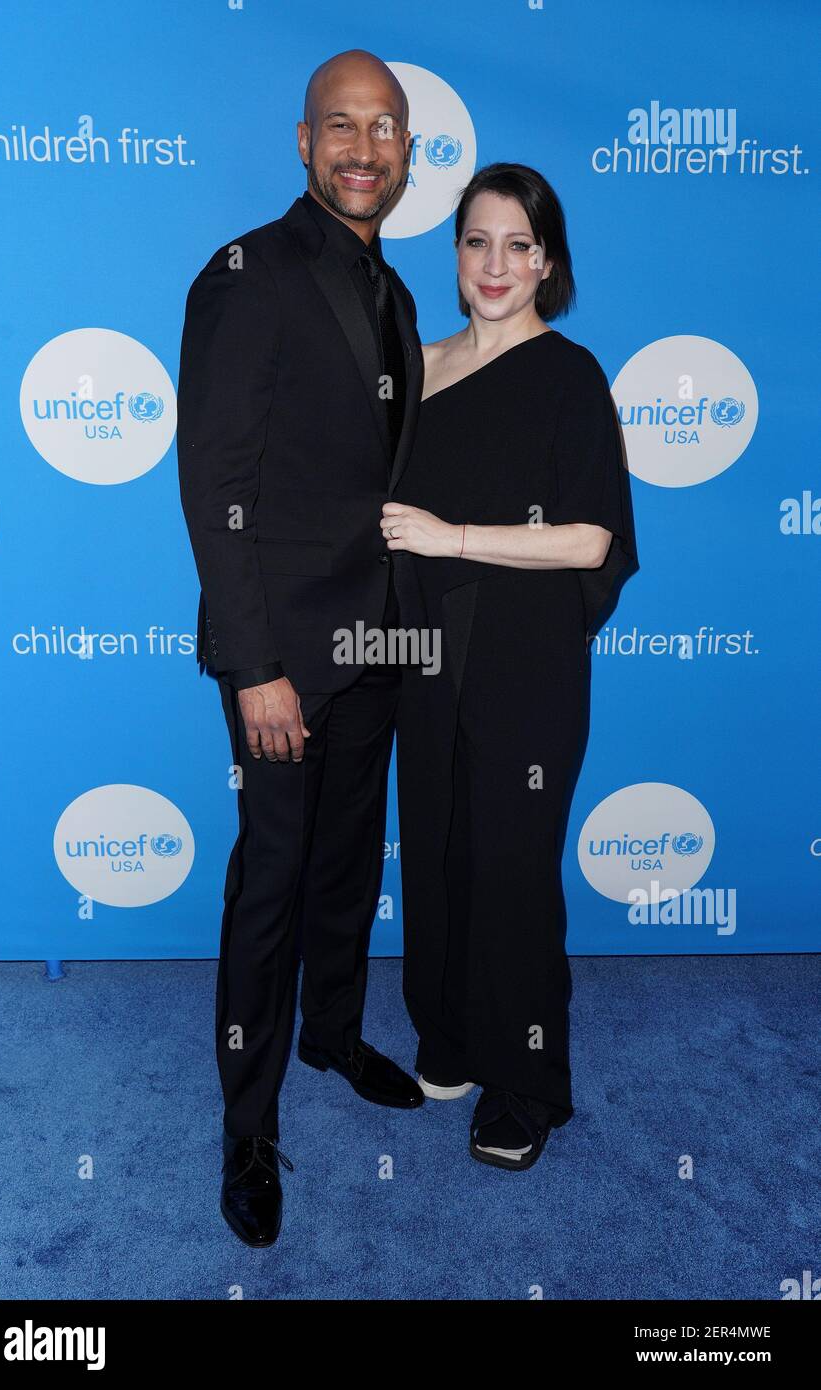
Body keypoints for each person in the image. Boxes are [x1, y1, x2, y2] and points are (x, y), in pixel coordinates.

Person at [177, 50, 425, 1248]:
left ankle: (333, 1033)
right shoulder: (247, 274)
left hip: (376, 639)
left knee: (342, 866)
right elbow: (214, 482)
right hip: (281, 655)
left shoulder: (400, 294)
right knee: (269, 885)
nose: (363, 148)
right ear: (302, 141)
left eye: (384, 129)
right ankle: (246, 1125)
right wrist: (255, 663)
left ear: (409, 150)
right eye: (342, 125)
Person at [382, 163, 638, 1171]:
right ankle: (447, 1036)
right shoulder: (418, 363)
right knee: (439, 849)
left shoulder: (568, 375)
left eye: (517, 246)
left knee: (510, 868)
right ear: (455, 255)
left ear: (548, 264)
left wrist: (450, 539)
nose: (495, 264)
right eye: (476, 241)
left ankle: (525, 1079)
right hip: (424, 653)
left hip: (525, 661)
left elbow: (591, 540)